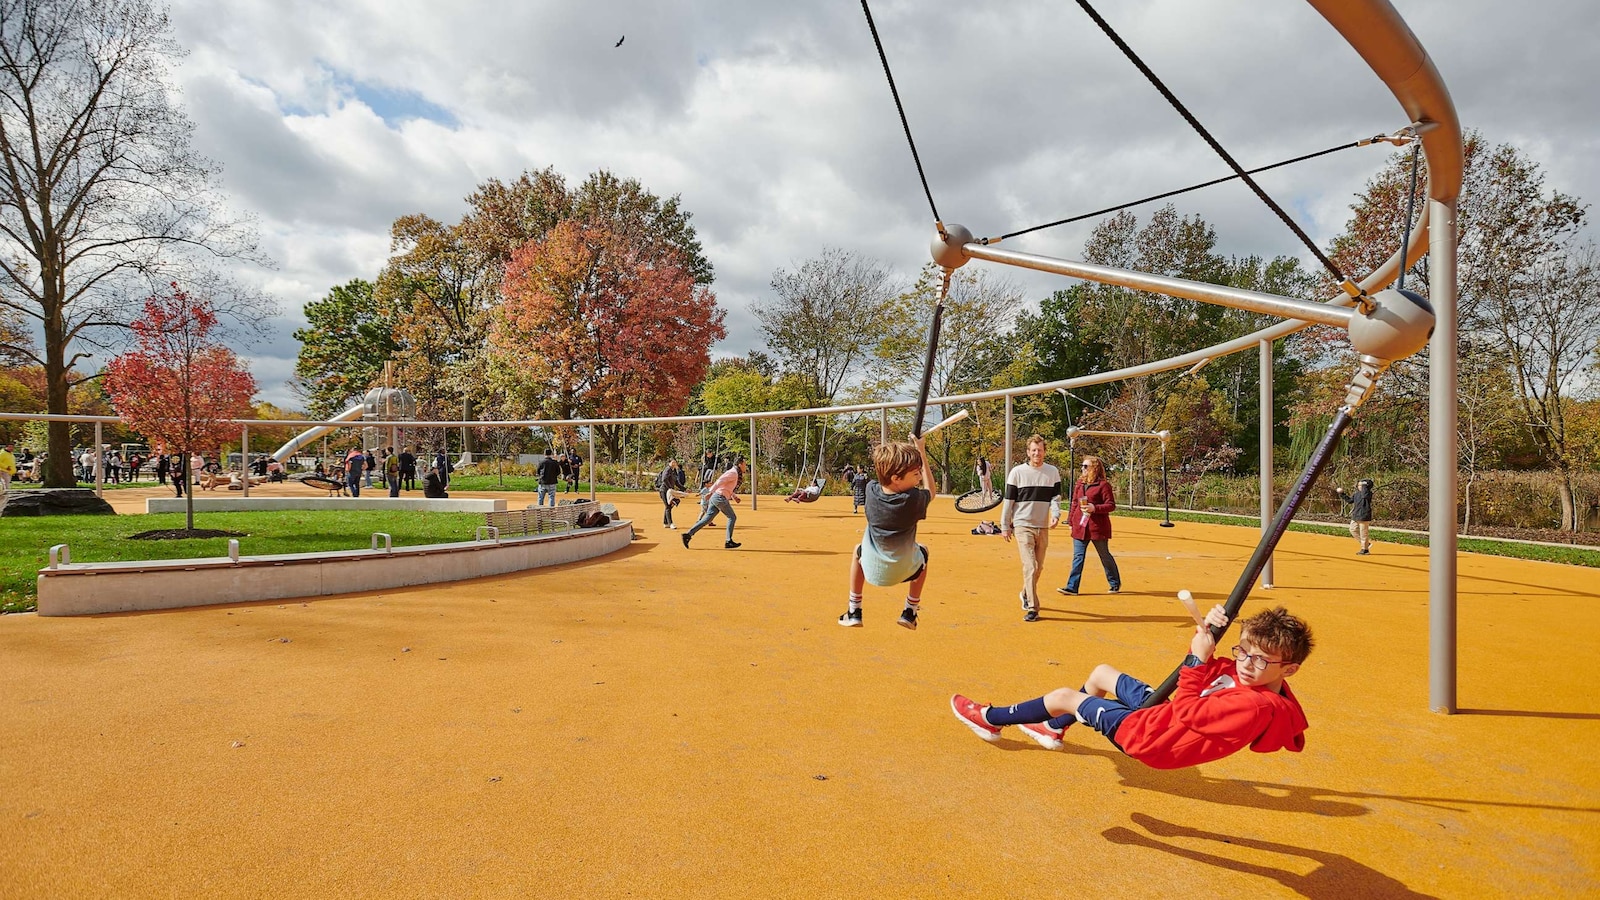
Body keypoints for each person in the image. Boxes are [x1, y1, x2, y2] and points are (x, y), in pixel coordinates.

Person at [950, 605, 1311, 770]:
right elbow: (1204, 668)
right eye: (1243, 652)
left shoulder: (1257, 706)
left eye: (1260, 660)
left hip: (1150, 738)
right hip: (1163, 715)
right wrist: (1209, 632)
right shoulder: (1248, 673)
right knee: (1101, 673)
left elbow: (1190, 705)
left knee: (1063, 696)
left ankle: (989, 718)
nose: (1246, 664)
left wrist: (1197, 660)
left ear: (1289, 670)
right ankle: (1052, 729)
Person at [837, 436, 935, 631]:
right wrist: (921, 452)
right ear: (896, 478)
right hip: (906, 572)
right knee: (923, 550)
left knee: (858, 550)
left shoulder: (871, 490)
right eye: (916, 474)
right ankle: (910, 610)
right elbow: (931, 490)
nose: (919, 477)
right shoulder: (913, 499)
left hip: (872, 572)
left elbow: (883, 476)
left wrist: (903, 456)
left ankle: (854, 609)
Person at [1001, 434, 1063, 622]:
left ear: (1044, 452)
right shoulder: (1017, 472)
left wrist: (1056, 514)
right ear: (1028, 452)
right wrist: (1005, 525)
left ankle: (1026, 593)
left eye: (1040, 450)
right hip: (1022, 525)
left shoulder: (1052, 472)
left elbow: (1055, 498)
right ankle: (1033, 608)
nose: (1037, 453)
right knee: (1030, 565)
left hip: (1042, 525)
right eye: (1034, 450)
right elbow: (1009, 501)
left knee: (1039, 567)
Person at [1057, 454, 1121, 596]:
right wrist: (1070, 521)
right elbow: (1074, 502)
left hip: (1097, 527)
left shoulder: (1104, 485)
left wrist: (1095, 508)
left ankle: (1114, 582)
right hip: (1080, 526)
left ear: (1095, 468)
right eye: (1082, 466)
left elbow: (1111, 505)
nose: (1083, 469)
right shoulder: (1080, 484)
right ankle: (1072, 587)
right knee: (1078, 557)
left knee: (1104, 556)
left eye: (1086, 466)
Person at [682, 458, 745, 550]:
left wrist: (734, 496)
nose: (745, 466)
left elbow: (726, 487)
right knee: (732, 517)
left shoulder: (735, 473)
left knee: (707, 519)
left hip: (717, 497)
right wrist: (710, 492)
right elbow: (720, 481)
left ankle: (688, 535)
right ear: (740, 464)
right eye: (745, 464)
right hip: (719, 497)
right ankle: (728, 541)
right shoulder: (733, 473)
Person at [1336, 479, 1375, 555]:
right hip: (1356, 515)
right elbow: (1350, 501)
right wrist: (1342, 494)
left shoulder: (1368, 494)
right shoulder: (1356, 494)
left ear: (1365, 487)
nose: (1358, 486)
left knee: (1363, 533)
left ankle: (1365, 550)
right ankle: (1366, 544)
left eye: (1361, 485)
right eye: (1359, 485)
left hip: (1364, 515)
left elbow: (1364, 496)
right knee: (1352, 529)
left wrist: (1364, 486)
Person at [656, 459, 685, 528]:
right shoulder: (667, 469)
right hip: (664, 491)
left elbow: (676, 482)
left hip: (669, 491)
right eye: (673, 462)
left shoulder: (673, 470)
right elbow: (664, 479)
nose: (674, 463)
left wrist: (684, 488)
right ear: (669, 462)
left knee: (669, 506)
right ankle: (671, 523)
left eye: (675, 462)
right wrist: (669, 488)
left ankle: (665, 522)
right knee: (668, 506)